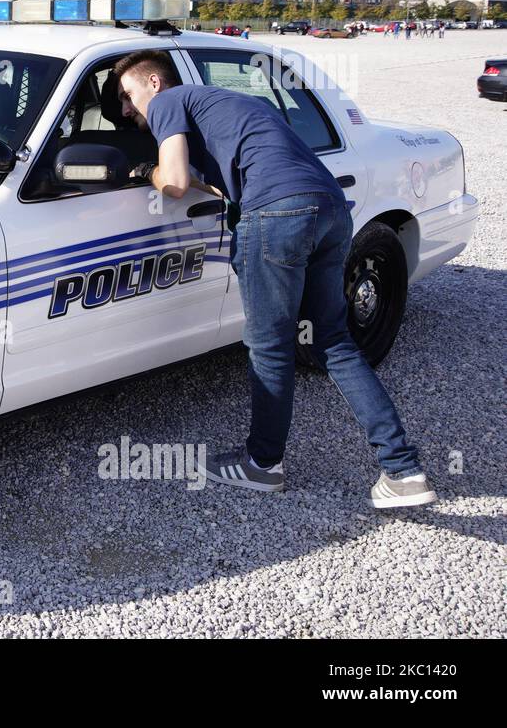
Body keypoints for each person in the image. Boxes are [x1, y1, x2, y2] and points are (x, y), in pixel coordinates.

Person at [112, 49, 435, 508]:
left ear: (153, 83)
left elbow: (177, 182)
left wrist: (150, 172)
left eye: (128, 95)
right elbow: (226, 182)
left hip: (277, 216)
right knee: (334, 342)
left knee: (271, 347)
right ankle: (404, 470)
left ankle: (262, 465)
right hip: (328, 210)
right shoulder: (226, 103)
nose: (126, 109)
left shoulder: (167, 103)